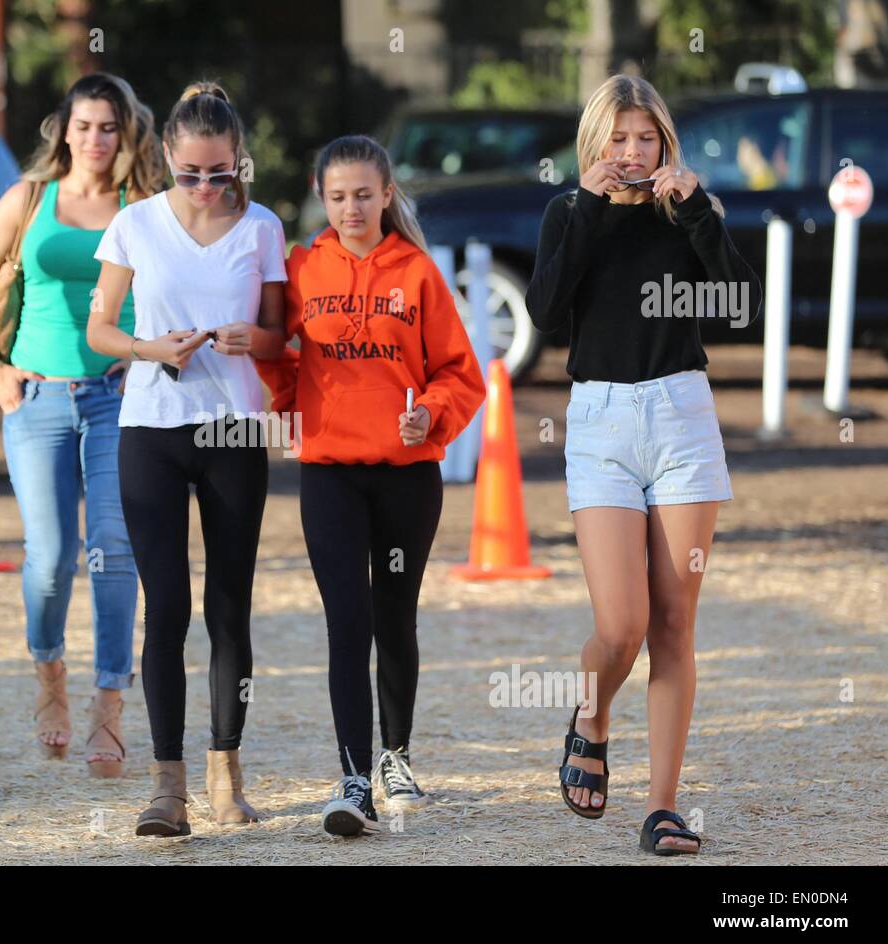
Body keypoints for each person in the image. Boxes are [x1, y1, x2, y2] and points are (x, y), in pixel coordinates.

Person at [525, 74, 761, 855]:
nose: (632, 153)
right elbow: (547, 314)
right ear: (596, 143)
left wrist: (695, 210)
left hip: (682, 418)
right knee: (620, 625)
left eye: (646, 138)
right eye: (618, 139)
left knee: (673, 624)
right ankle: (590, 717)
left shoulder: (688, 212)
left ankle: (662, 806)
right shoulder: (569, 211)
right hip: (600, 423)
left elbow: (737, 307)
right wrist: (589, 207)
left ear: (665, 142)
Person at [255, 135, 485, 837]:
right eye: (337, 196)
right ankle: (353, 777)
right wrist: (285, 396)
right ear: (321, 199)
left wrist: (431, 415)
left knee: (395, 620)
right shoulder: (303, 266)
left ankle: (397, 755)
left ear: (387, 194)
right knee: (346, 624)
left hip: (407, 478)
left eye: (363, 194)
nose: (350, 208)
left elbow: (461, 373)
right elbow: (280, 355)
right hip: (328, 473)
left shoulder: (416, 272)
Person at [86, 81, 287, 837]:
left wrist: (251, 340)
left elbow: (280, 336)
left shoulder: (263, 228)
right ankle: (166, 785)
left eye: (220, 172)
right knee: (165, 605)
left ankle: (225, 772)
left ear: (240, 160)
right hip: (153, 425)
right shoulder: (135, 223)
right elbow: (100, 328)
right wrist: (148, 348)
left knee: (228, 607)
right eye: (190, 172)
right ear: (166, 154)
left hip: (234, 429)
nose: (205, 188)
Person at [0, 73, 164, 778]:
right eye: (83, 126)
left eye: (108, 127)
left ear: (126, 133)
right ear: (63, 130)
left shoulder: (145, 209)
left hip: (121, 400)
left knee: (113, 547)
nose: (95, 139)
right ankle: (49, 680)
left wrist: (148, 360)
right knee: (50, 560)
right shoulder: (29, 201)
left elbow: (178, 291)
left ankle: (108, 711)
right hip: (39, 400)